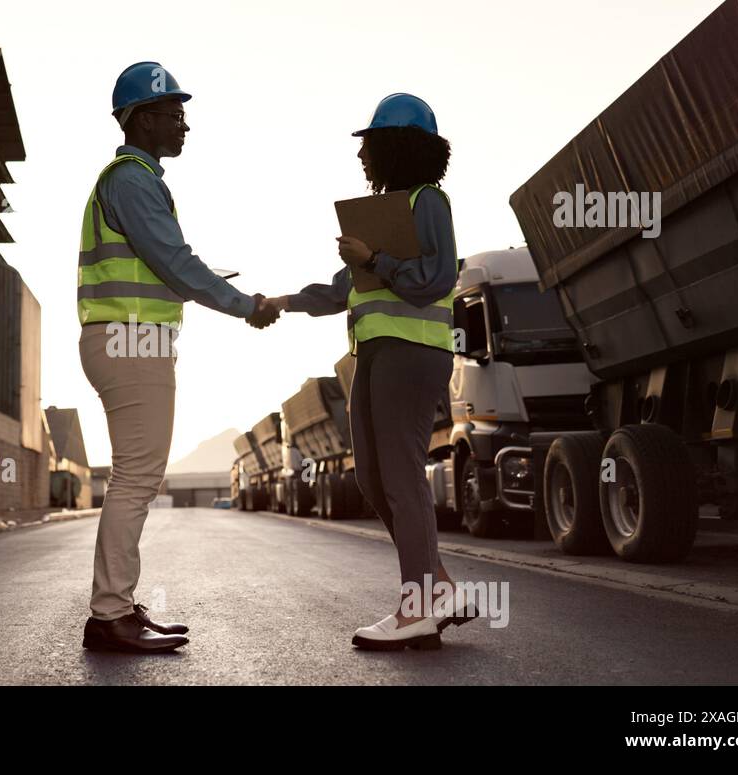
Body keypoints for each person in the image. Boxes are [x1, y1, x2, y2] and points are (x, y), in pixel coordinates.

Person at [79, 62, 280, 654]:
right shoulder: (133, 178)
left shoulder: (134, 179)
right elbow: (176, 261)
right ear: (141, 119)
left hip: (130, 339)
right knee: (136, 479)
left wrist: (197, 280)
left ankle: (115, 608)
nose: (184, 125)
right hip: (131, 341)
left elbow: (164, 264)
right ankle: (110, 614)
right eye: (173, 114)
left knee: (134, 476)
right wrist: (245, 305)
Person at [265, 93, 475, 651]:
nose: (364, 157)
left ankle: (417, 608)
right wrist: (279, 301)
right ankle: (441, 590)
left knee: (402, 477)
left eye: (371, 145)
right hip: (377, 353)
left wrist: (375, 260)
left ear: (397, 147)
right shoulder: (382, 217)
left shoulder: (428, 201)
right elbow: (342, 291)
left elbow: (434, 279)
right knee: (373, 480)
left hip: (412, 351)